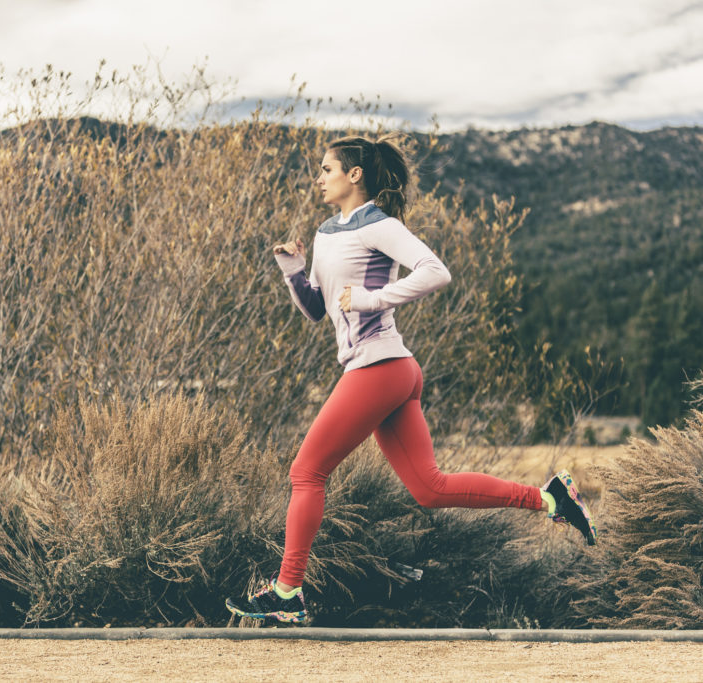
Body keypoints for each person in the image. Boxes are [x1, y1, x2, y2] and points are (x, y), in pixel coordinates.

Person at [225, 135, 597, 625]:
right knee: (430, 488)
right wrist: (293, 268)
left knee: (306, 472)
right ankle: (551, 497)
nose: (318, 178)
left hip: (379, 368)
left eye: (327, 169)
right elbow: (318, 309)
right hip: (387, 370)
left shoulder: (377, 224)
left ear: (354, 175)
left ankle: (288, 591)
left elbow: (435, 272)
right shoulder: (324, 233)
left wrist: (374, 299)